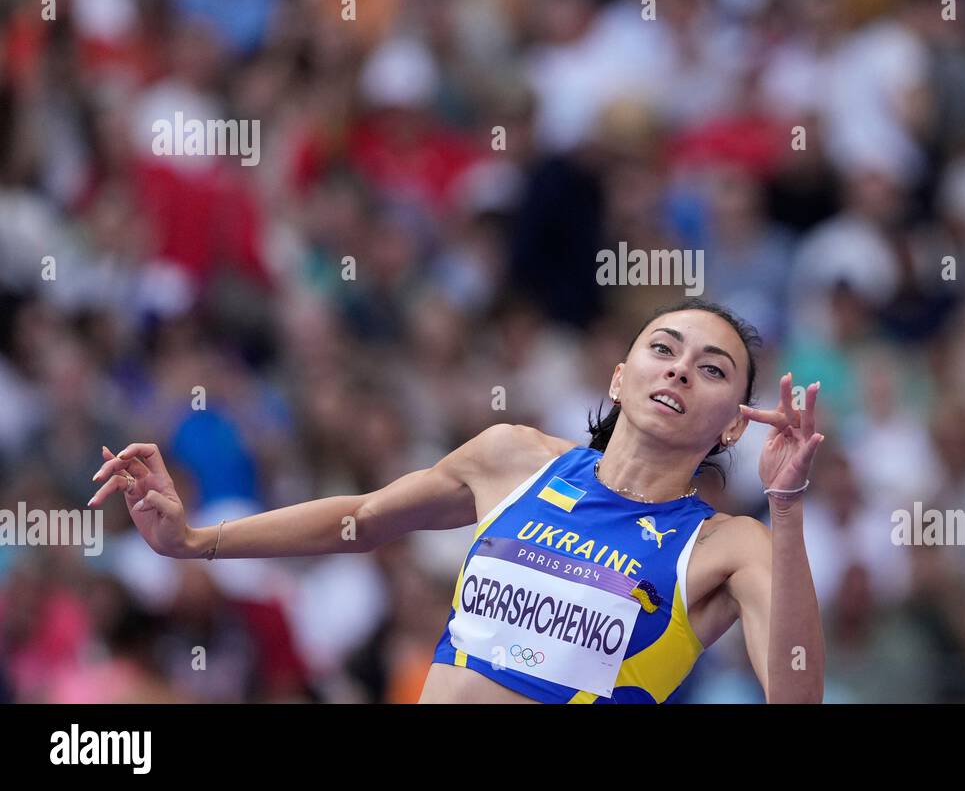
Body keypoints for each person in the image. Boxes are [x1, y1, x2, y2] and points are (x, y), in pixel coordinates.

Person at [90, 300, 826, 703]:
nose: (681, 371)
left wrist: (786, 506)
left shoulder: (728, 547)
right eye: (663, 349)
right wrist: (196, 541)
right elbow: (363, 519)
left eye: (713, 368)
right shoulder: (513, 459)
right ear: (618, 375)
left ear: (734, 422)